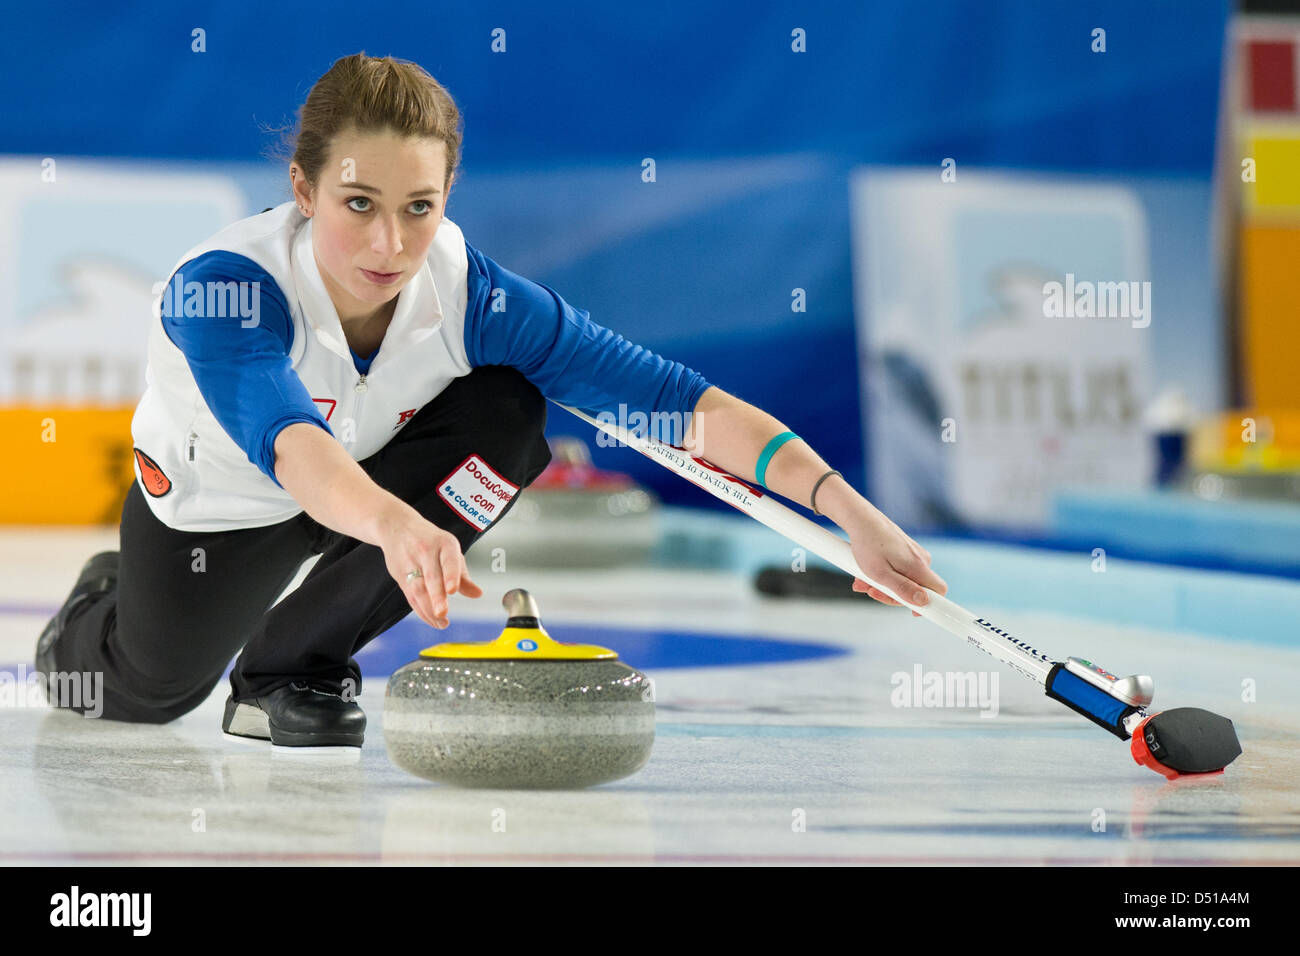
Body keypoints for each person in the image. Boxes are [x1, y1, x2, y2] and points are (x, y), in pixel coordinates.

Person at [35, 52, 946, 747]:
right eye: (358, 204)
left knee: (509, 409)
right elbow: (292, 447)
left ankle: (288, 674)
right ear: (304, 189)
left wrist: (845, 509)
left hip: (369, 493)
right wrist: (396, 528)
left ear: (447, 198)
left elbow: (669, 401)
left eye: (419, 206)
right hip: (223, 508)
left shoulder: (475, 296)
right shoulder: (225, 291)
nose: (391, 242)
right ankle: (95, 604)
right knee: (146, 694)